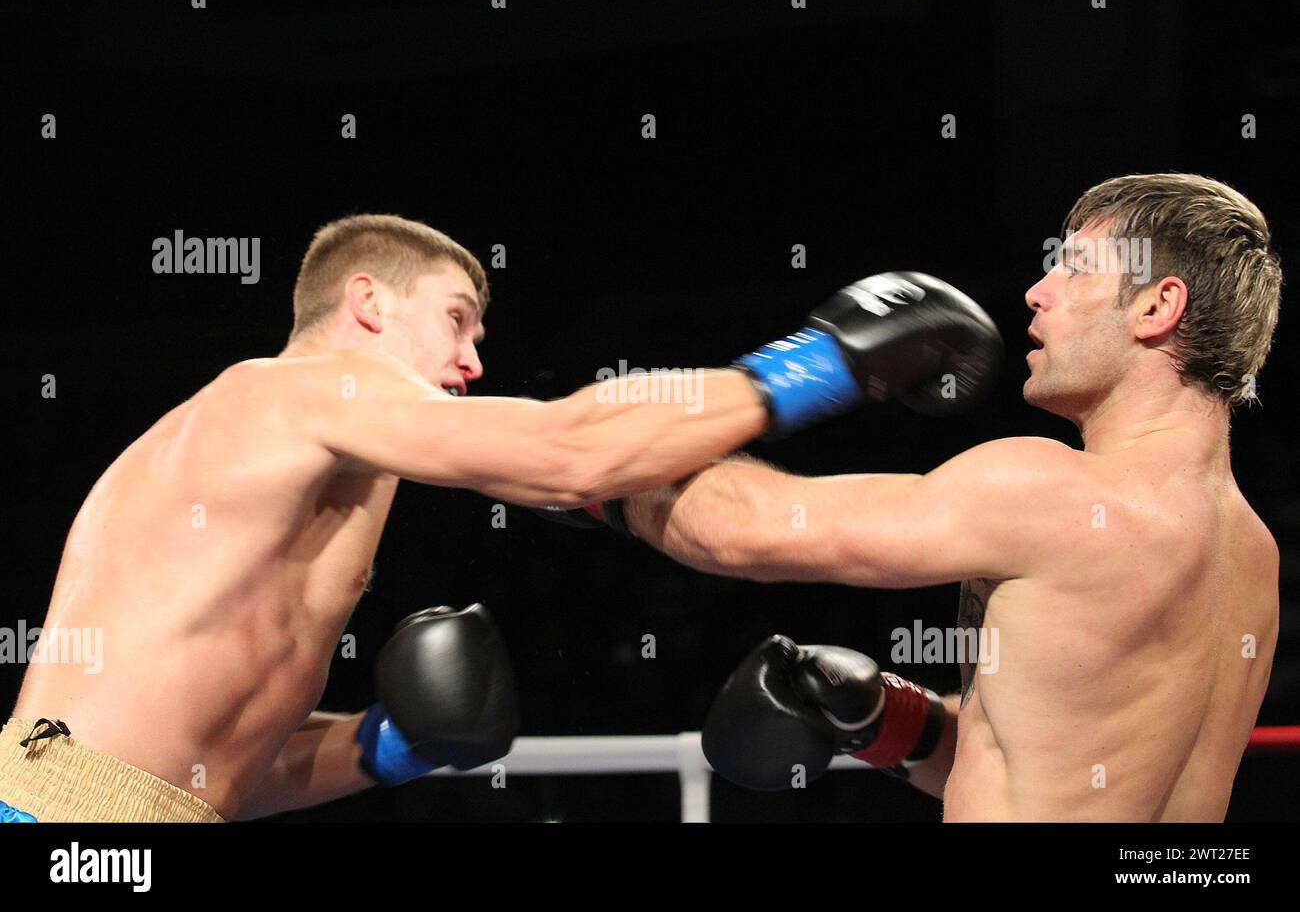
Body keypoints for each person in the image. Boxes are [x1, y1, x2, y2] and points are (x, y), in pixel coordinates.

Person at [0, 213, 998, 821]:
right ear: (367, 303)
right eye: (457, 317)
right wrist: (823, 362)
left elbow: (219, 777)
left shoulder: (329, 464)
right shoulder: (285, 392)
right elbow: (569, 443)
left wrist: (387, 743)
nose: (474, 358)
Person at [576, 174, 1283, 821]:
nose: (1039, 292)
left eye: (1074, 266)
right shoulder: (1253, 554)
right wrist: (880, 717)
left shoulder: (1049, 488)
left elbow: (743, 529)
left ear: (1158, 306)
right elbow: (1057, 766)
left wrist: (593, 465)